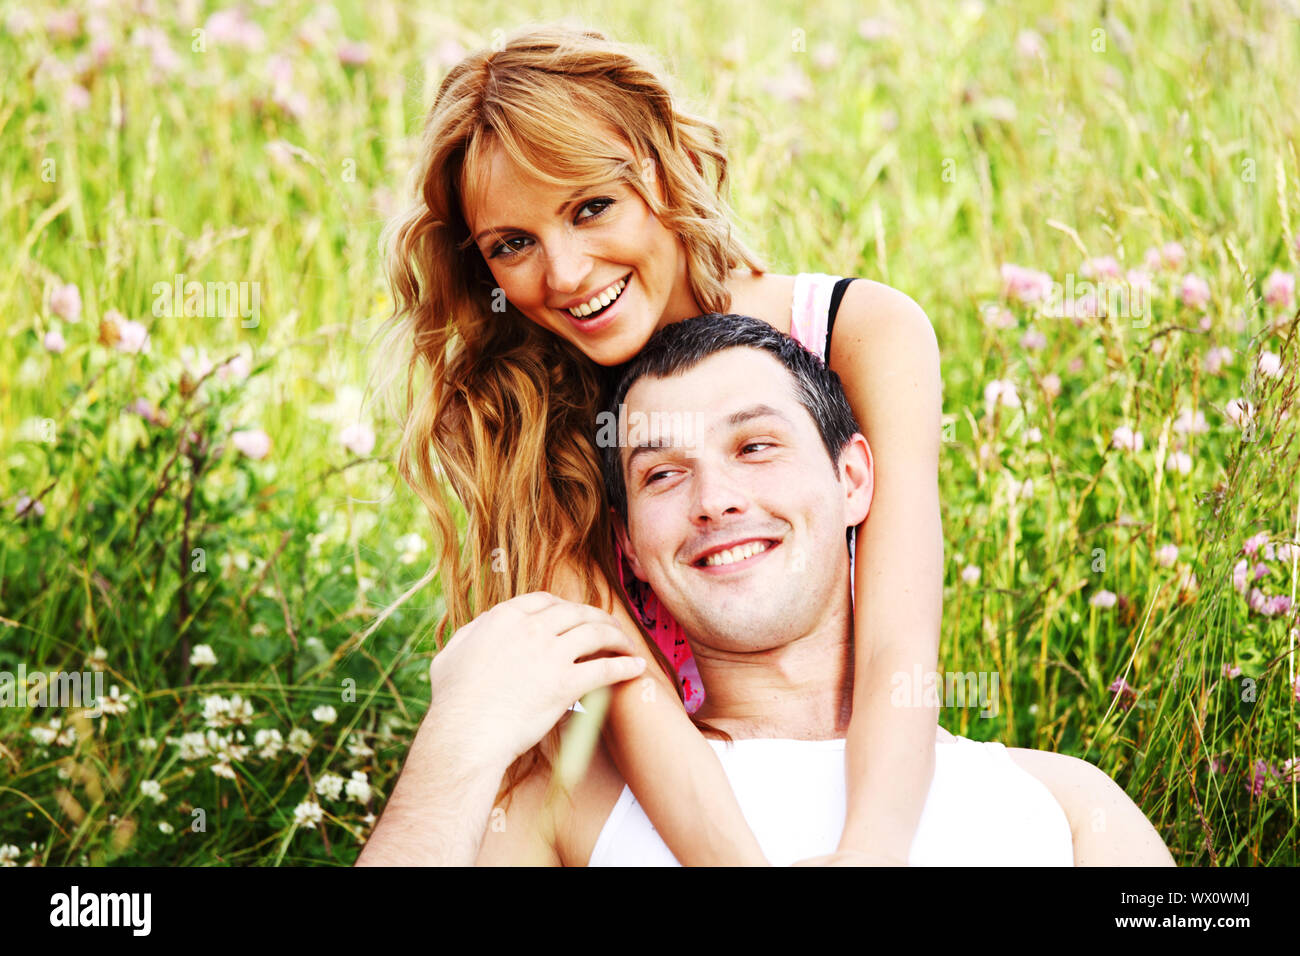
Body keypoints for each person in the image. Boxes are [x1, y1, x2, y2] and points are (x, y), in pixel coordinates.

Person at [372, 22, 944, 864]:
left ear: (663, 171)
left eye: (590, 207)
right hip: (673, 810)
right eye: (513, 244)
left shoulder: (859, 331)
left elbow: (902, 635)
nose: (564, 274)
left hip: (876, 770)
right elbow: (633, 699)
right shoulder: (521, 420)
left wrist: (872, 850)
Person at [357, 314, 1174, 866]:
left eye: (754, 446)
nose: (715, 500)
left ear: (853, 479)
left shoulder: (1062, 804)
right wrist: (457, 743)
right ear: (632, 551)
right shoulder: (565, 808)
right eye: (665, 473)